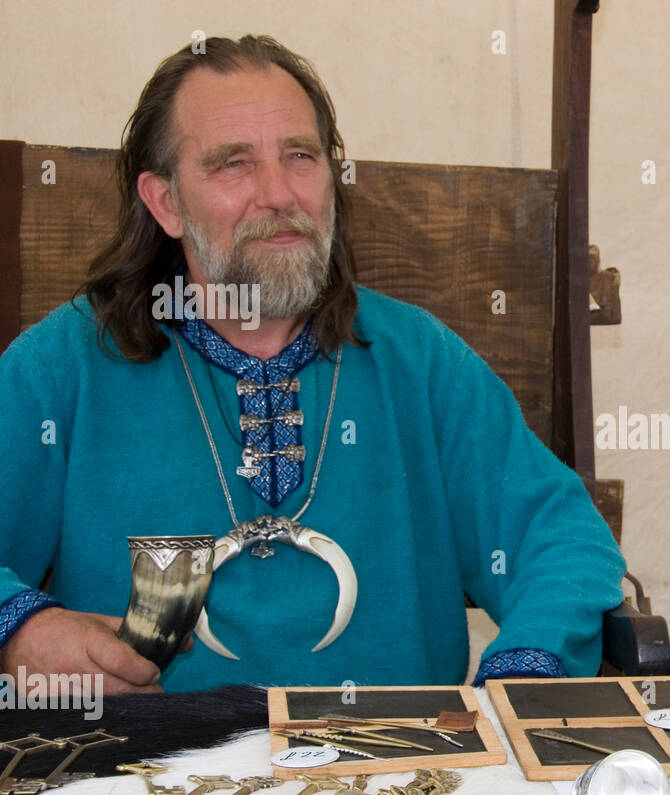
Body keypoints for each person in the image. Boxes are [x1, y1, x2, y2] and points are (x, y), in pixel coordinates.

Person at [0, 35, 626, 694]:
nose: (278, 193)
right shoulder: (67, 365)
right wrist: (21, 632)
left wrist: (523, 673)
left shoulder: (420, 360)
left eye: (300, 156)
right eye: (233, 164)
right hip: (149, 784)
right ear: (166, 203)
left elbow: (558, 538)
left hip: (404, 776)